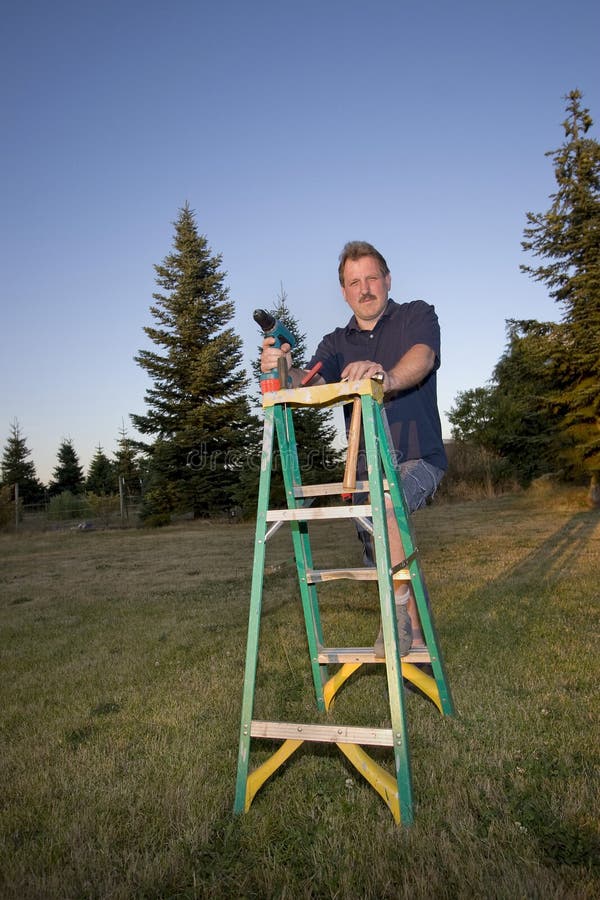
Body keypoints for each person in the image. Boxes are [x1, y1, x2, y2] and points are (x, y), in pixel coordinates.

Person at [260, 240, 447, 655]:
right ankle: (417, 639)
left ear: (387, 280)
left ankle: (395, 614)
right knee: (384, 547)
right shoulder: (336, 342)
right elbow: (309, 382)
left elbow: (422, 356)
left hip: (419, 456)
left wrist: (385, 378)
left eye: (371, 278)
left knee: (387, 507)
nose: (364, 289)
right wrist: (283, 369)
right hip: (364, 468)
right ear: (344, 292)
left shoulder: (416, 315)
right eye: (354, 282)